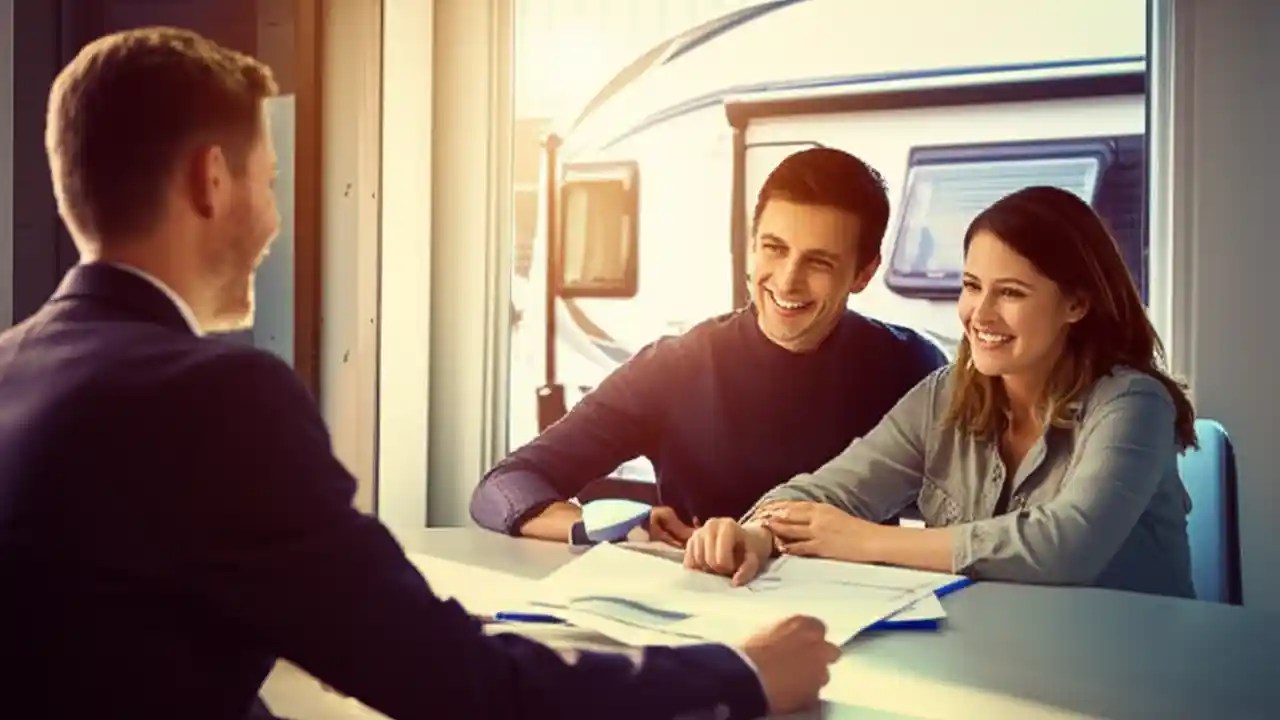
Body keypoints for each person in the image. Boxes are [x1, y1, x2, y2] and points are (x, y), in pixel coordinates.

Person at [0, 28, 841, 719]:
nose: (273, 219)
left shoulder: (15, 367)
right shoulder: (215, 397)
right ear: (211, 181)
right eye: (271, 180)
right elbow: (453, 685)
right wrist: (738, 675)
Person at [684, 186, 1197, 598]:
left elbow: (1065, 546)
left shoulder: (1133, 404)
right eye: (972, 286)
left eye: (1011, 293)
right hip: (990, 661)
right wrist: (758, 534)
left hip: (1133, 670)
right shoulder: (944, 394)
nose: (982, 313)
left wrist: (870, 541)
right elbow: (831, 490)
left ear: (1076, 305)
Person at [471, 147, 947, 545]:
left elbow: (968, 520)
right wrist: (610, 529)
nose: (787, 280)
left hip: (857, 624)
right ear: (751, 244)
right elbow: (503, 487)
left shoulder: (911, 367)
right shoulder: (677, 366)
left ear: (863, 273)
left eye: (818, 261)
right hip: (701, 621)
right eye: (774, 248)